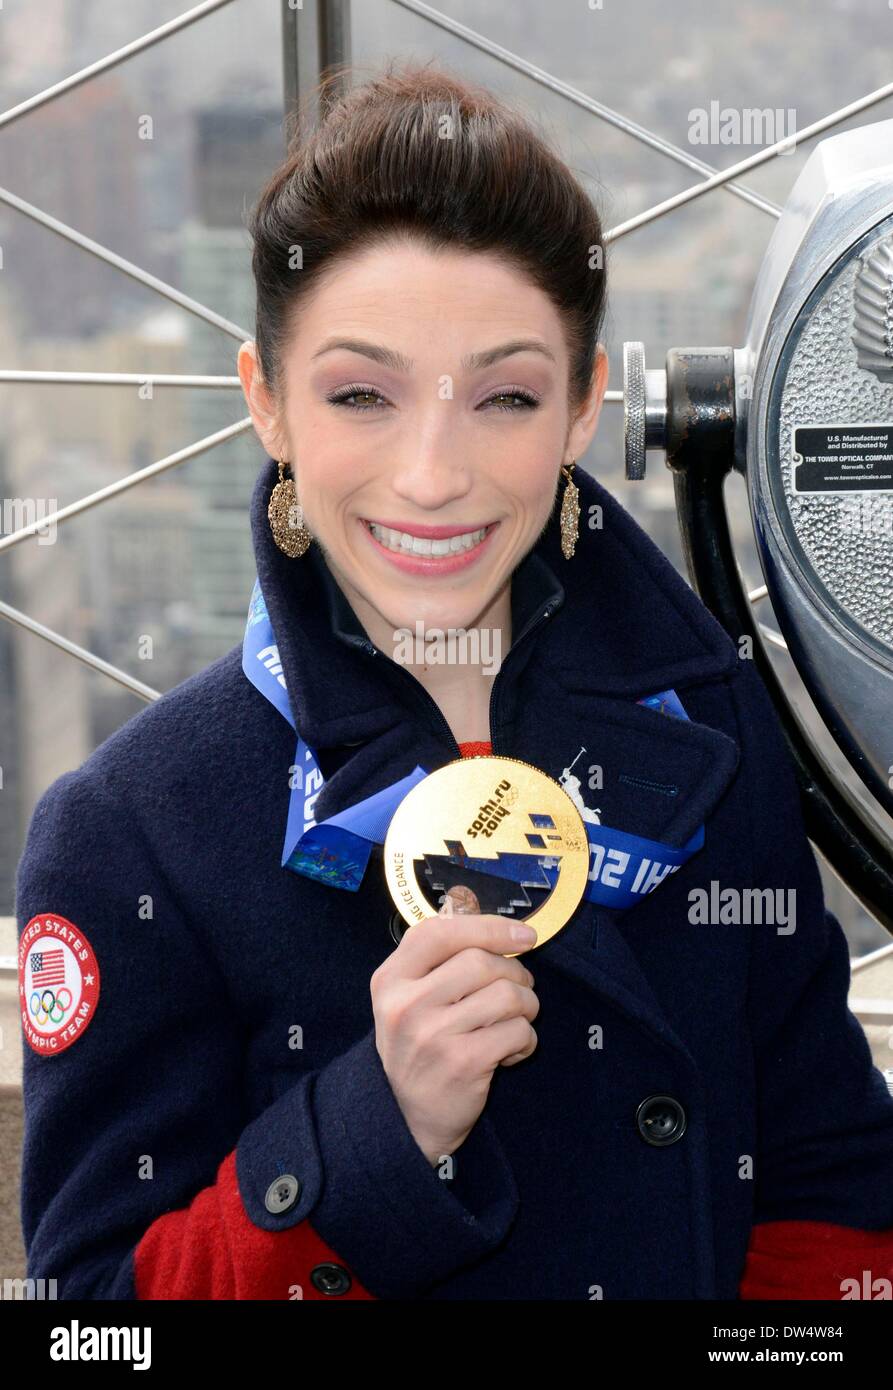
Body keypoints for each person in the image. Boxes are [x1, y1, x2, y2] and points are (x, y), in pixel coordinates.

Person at [16, 63, 893, 1301]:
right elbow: (93, 1320)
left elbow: (827, 1185)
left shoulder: (705, 723)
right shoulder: (135, 830)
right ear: (263, 400)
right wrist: (375, 1131)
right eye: (360, 393)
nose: (430, 474)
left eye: (506, 395)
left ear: (587, 406)